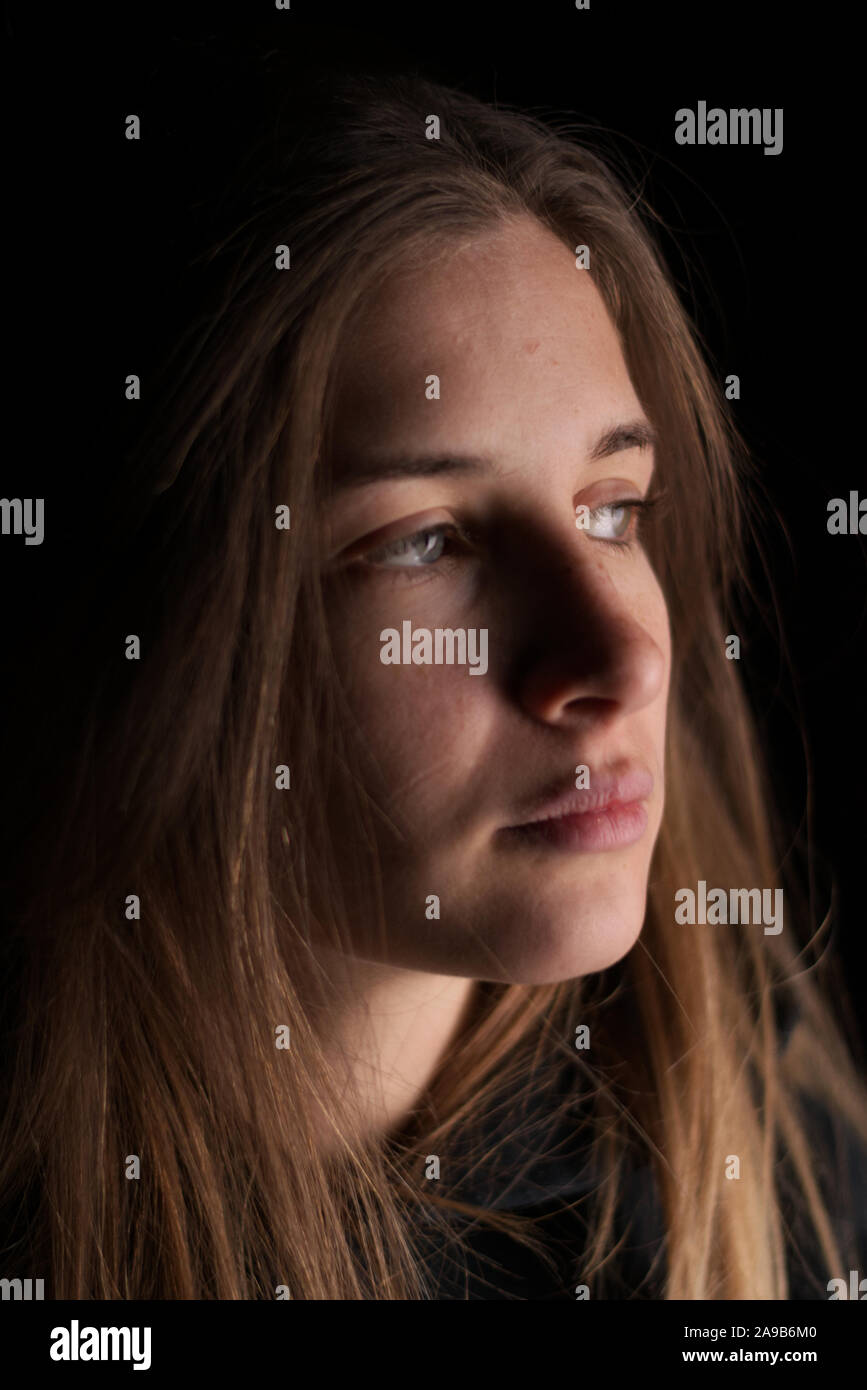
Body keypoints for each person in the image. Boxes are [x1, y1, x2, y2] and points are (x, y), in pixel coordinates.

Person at [2, 68, 865, 1300]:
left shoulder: (764, 1147)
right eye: (427, 542)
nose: (621, 660)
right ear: (152, 640)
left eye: (613, 510)